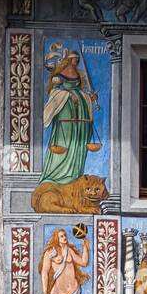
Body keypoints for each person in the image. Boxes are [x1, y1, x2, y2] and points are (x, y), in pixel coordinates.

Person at [39, 47, 98, 188]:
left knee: (79, 137)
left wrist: (90, 97)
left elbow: (82, 90)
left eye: (77, 60)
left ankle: (74, 173)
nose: (76, 62)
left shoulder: (79, 74)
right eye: (74, 59)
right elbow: (54, 89)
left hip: (81, 107)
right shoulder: (60, 74)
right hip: (66, 107)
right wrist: (67, 94)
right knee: (65, 135)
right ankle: (58, 173)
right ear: (69, 59)